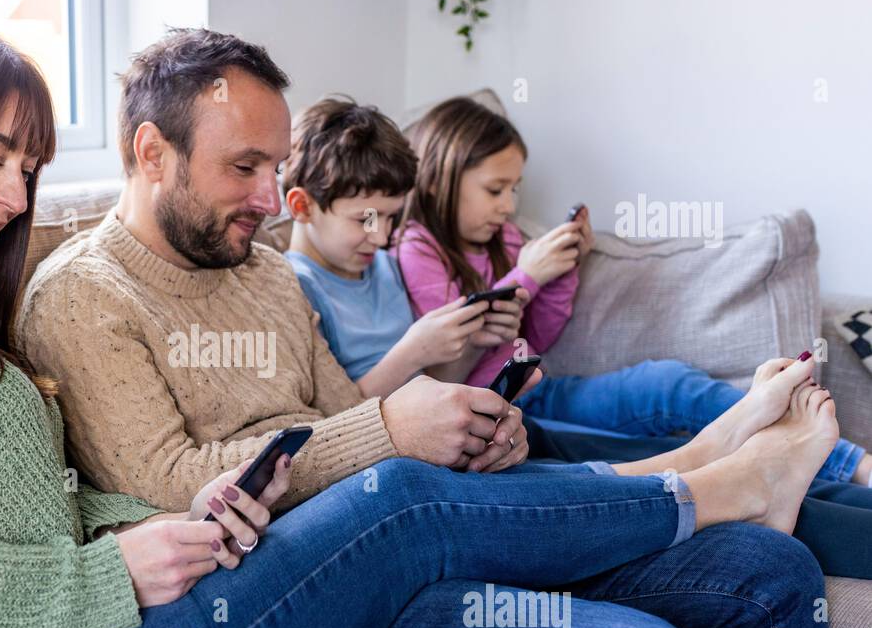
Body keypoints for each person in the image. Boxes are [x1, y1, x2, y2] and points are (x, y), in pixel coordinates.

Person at [16, 27, 838, 628]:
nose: (270, 198)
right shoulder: (83, 297)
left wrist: (460, 438)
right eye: (245, 168)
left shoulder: (263, 273)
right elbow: (170, 483)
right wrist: (388, 429)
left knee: (771, 575)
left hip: (407, 539)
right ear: (151, 152)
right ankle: (701, 472)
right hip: (288, 602)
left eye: (276, 166)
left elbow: (343, 415)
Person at [280, 93, 872, 579]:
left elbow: (450, 378)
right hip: (432, 453)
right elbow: (340, 421)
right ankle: (724, 458)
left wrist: (535, 291)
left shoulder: (380, 264)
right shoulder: (299, 285)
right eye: (368, 219)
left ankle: (754, 460)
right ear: (301, 206)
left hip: (488, 419)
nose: (382, 234)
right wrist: (427, 346)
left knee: (712, 435)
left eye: (390, 217)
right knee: (667, 440)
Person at [394, 95, 871, 488]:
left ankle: (843, 462)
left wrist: (564, 272)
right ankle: (827, 468)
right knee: (657, 441)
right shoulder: (418, 247)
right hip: (495, 415)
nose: (509, 205)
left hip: (541, 393)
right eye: (496, 189)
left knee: (667, 383)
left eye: (515, 189)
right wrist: (527, 276)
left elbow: (536, 333)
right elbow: (451, 357)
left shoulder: (508, 240)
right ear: (440, 180)